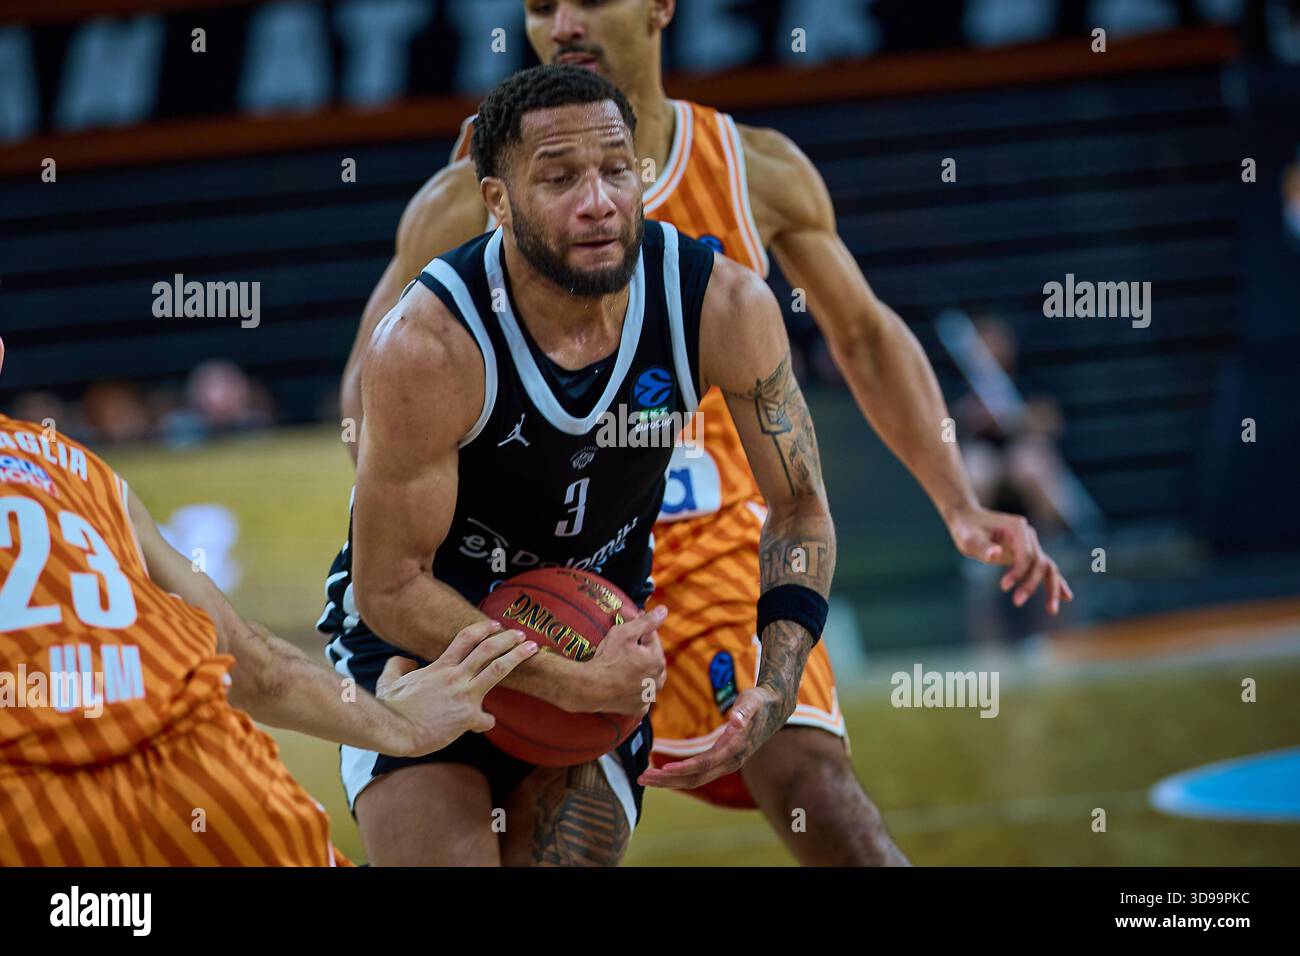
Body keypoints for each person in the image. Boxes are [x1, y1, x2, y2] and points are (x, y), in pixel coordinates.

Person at [339, 0, 1071, 866]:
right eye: (540, 5)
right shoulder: (460, 212)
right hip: (512, 560)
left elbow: (865, 339)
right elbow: (368, 415)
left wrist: (958, 502)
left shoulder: (745, 181)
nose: (564, 20)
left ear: (659, 8)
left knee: (818, 793)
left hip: (700, 537)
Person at [318, 64, 837, 866]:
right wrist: (566, 678)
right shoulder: (428, 344)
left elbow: (800, 504)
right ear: (497, 201)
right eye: (559, 178)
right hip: (426, 641)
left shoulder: (722, 305)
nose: (597, 201)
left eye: (617, 171)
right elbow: (388, 585)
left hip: (596, 622)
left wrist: (779, 677)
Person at [0, 337, 537, 866]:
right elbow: (251, 664)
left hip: (31, 811)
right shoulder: (75, 466)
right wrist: (401, 724)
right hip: (211, 778)